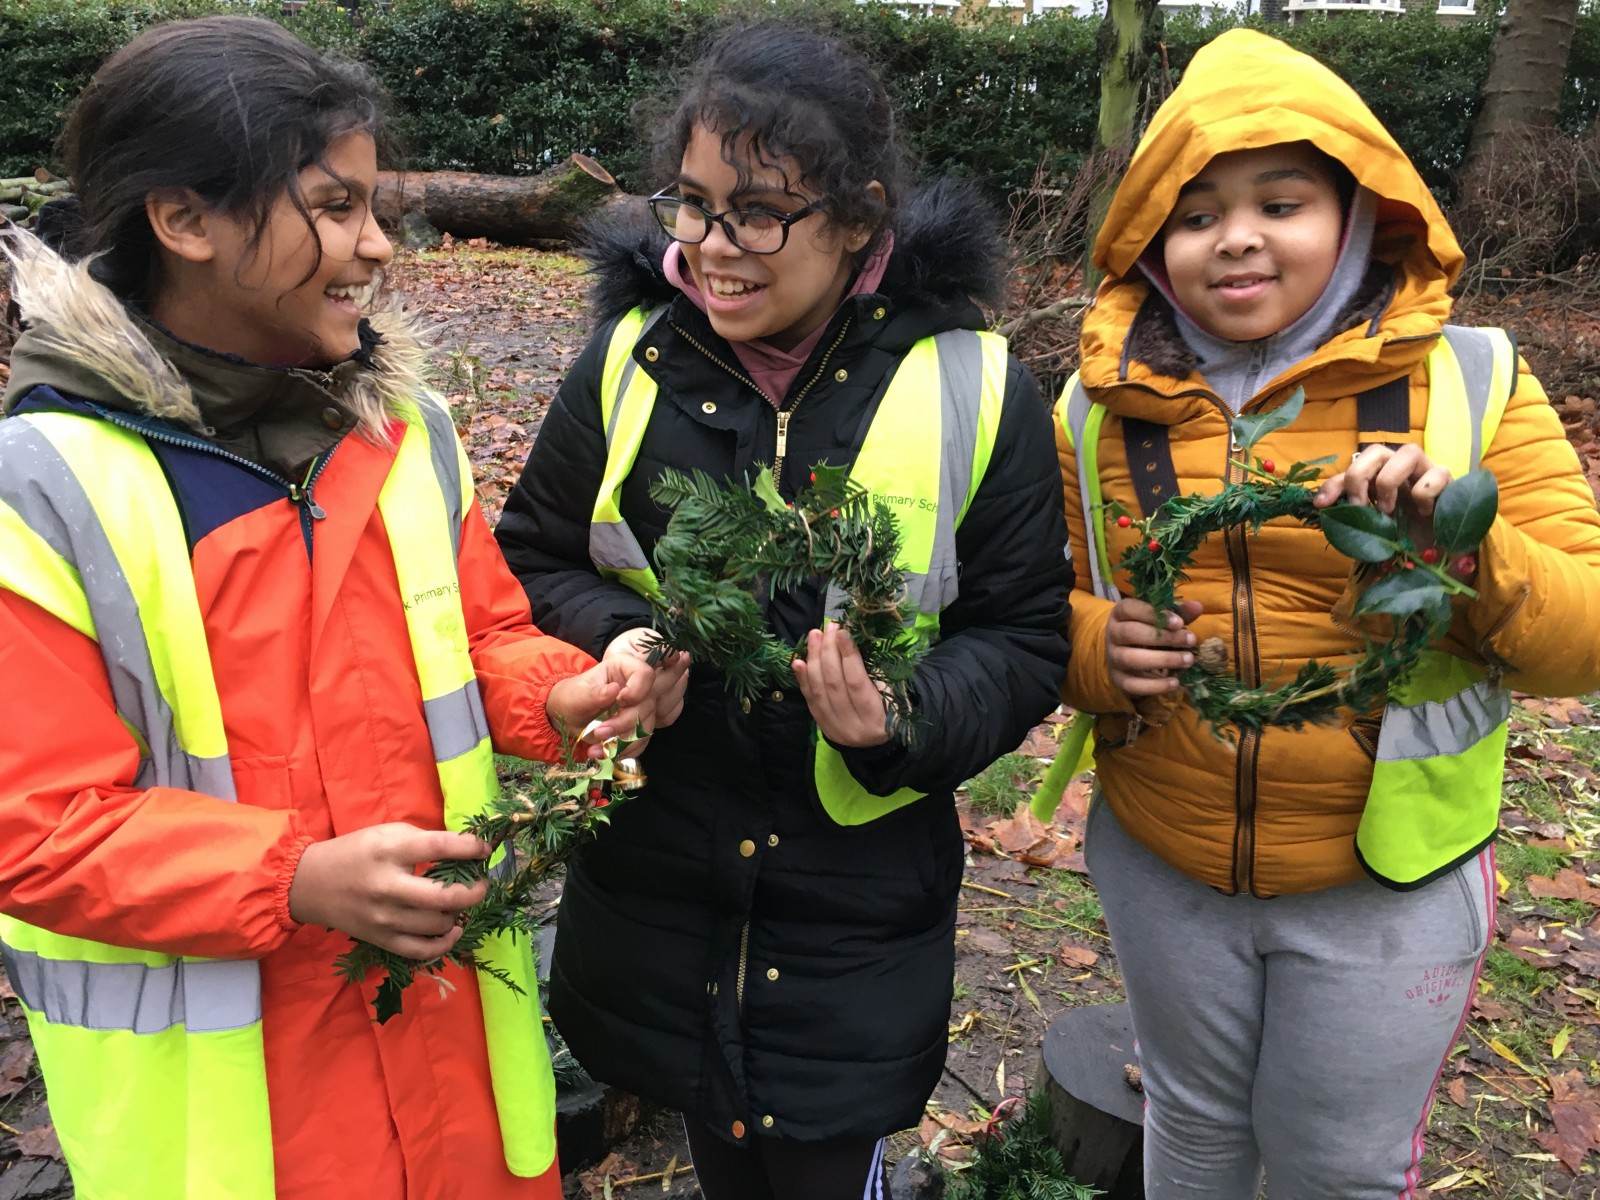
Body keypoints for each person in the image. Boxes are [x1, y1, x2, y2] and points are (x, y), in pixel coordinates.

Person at [0, 16, 683, 1200]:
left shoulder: (405, 433)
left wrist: (565, 691)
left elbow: (479, 636)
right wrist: (293, 877)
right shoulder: (46, 490)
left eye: (375, 206)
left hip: (457, 1084)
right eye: (334, 206)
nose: (376, 244)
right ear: (186, 221)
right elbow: (35, 828)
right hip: (237, 1136)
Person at [494, 22, 1071, 1200]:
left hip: (851, 912)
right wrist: (617, 638)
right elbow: (531, 561)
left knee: (817, 1161)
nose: (712, 248)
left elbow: (1022, 637)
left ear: (859, 218)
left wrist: (900, 719)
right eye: (694, 205)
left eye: (758, 213)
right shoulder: (627, 363)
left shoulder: (972, 386)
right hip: (659, 880)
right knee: (716, 1144)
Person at [1058, 28, 1600, 1199]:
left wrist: (1468, 550)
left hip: (1386, 884)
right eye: (1194, 214)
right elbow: (1031, 607)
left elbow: (1585, 637)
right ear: (1152, 240)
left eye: (1280, 203)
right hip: (1163, 860)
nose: (1235, 236)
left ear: (1357, 214)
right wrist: (1094, 647)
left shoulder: (1472, 380)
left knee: (1336, 1166)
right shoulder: (1094, 410)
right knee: (1191, 1130)